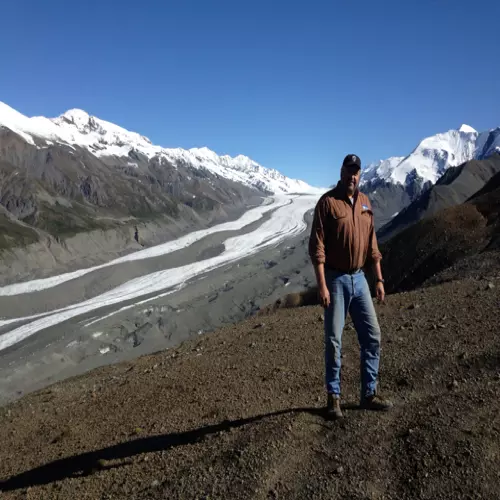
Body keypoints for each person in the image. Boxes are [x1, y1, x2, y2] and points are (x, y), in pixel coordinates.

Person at [308, 154, 393, 419]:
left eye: (356, 172)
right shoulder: (328, 203)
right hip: (335, 280)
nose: (352, 176)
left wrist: (378, 279)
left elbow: (372, 246)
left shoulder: (366, 203)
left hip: (360, 280)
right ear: (342, 172)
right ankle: (333, 398)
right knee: (334, 340)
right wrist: (321, 285)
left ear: (360, 175)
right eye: (349, 171)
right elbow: (317, 247)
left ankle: (369, 394)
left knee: (373, 336)